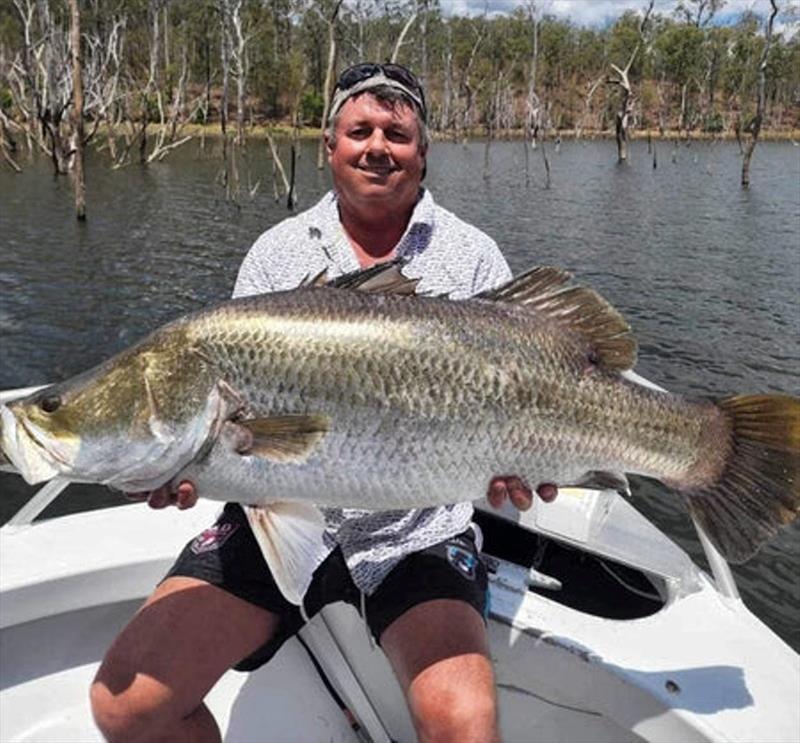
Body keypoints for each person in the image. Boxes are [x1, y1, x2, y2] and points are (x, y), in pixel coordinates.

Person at [90, 63, 557, 743]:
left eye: (396, 133)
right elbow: (232, 428)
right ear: (329, 146)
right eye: (358, 129)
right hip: (273, 517)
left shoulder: (474, 257)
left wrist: (516, 469)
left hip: (414, 530)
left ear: (421, 152)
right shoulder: (276, 255)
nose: (376, 145)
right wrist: (169, 463)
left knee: (465, 725)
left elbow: (524, 393)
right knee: (124, 704)